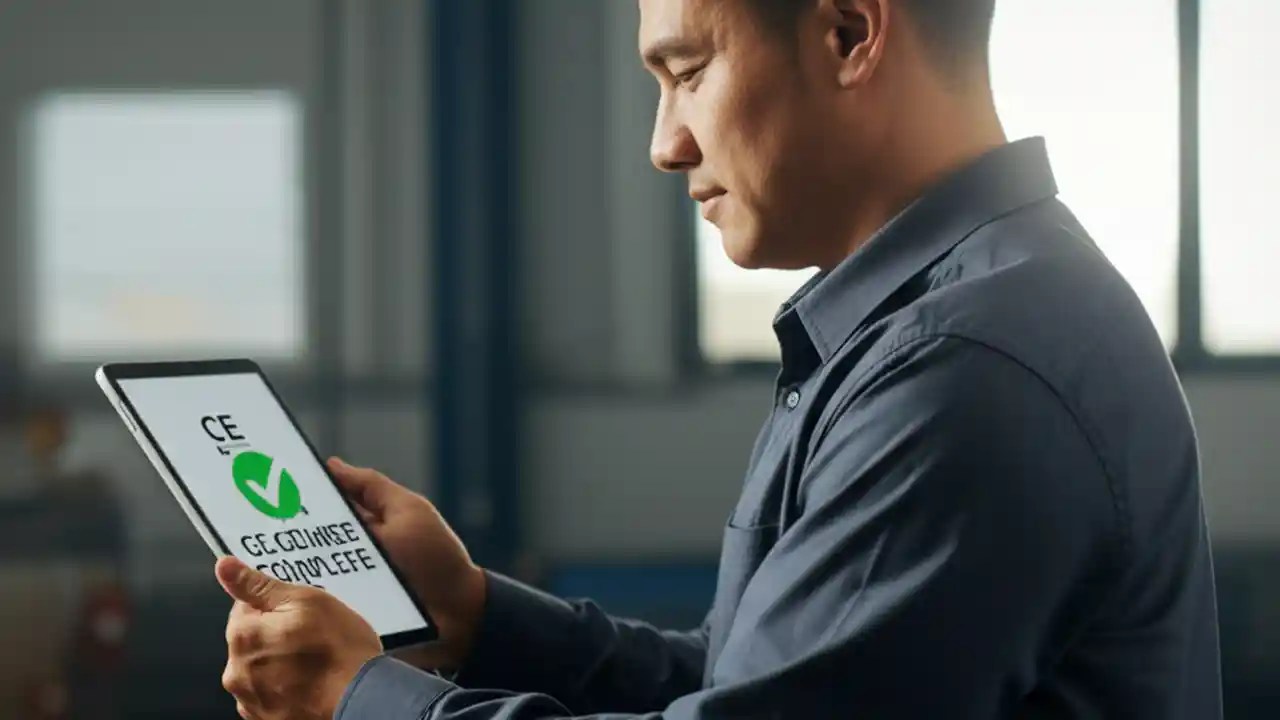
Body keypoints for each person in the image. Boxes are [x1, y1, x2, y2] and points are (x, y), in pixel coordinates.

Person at [217, 0, 1223, 717]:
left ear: (845, 33)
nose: (664, 144)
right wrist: (474, 616)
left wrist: (359, 699)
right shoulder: (957, 319)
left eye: (687, 72)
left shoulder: (960, 373)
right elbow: (755, 684)